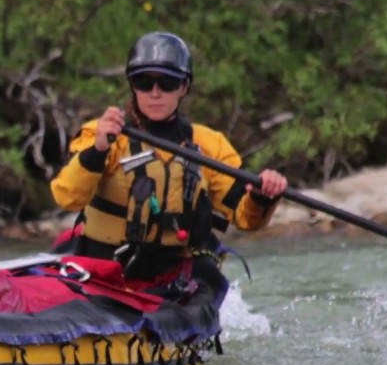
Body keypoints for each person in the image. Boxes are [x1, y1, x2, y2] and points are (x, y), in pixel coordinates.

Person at [49, 31, 288, 287]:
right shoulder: (102, 135)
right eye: (144, 82)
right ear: (132, 86)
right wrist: (98, 150)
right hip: (103, 274)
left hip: (168, 278)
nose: (155, 93)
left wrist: (263, 196)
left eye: (168, 83)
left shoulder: (210, 145)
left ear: (183, 87)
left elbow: (246, 219)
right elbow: (67, 197)